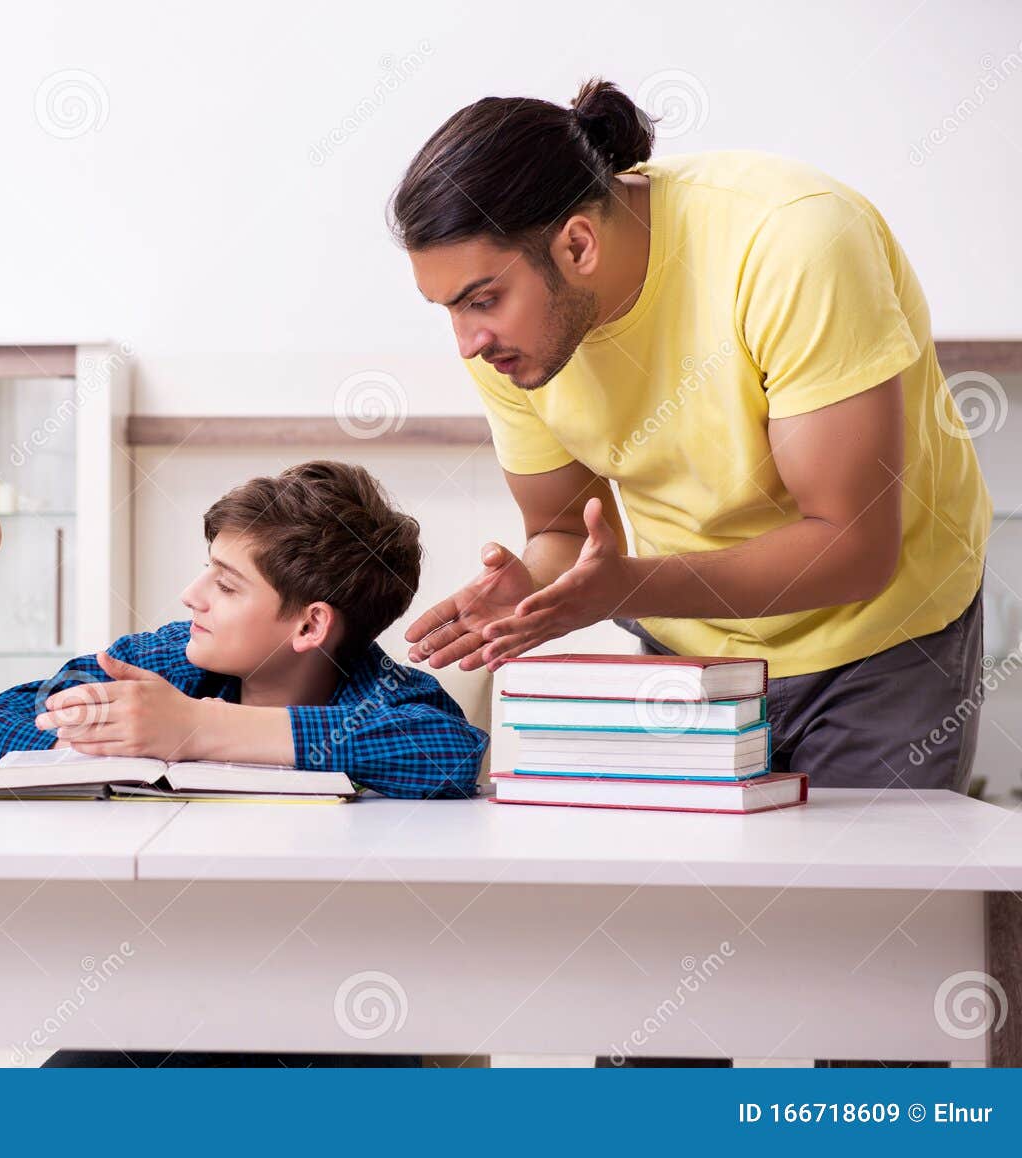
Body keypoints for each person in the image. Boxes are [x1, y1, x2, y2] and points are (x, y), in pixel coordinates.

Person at [390, 78, 989, 1068]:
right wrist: (535, 588)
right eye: (446, 308)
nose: (466, 340)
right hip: (691, 654)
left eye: (481, 300)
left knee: (859, 999)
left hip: (883, 645)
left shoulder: (791, 241)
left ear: (577, 245)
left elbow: (850, 547)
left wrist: (622, 589)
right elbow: (560, 530)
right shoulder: (507, 340)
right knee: (664, 993)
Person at [0, 461, 487, 1065]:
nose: (192, 595)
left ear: (310, 624)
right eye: (207, 570)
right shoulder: (172, 660)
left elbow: (450, 752)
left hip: (339, 1011)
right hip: (168, 996)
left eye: (227, 585)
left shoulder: (386, 696)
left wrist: (198, 729)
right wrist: (95, 734)